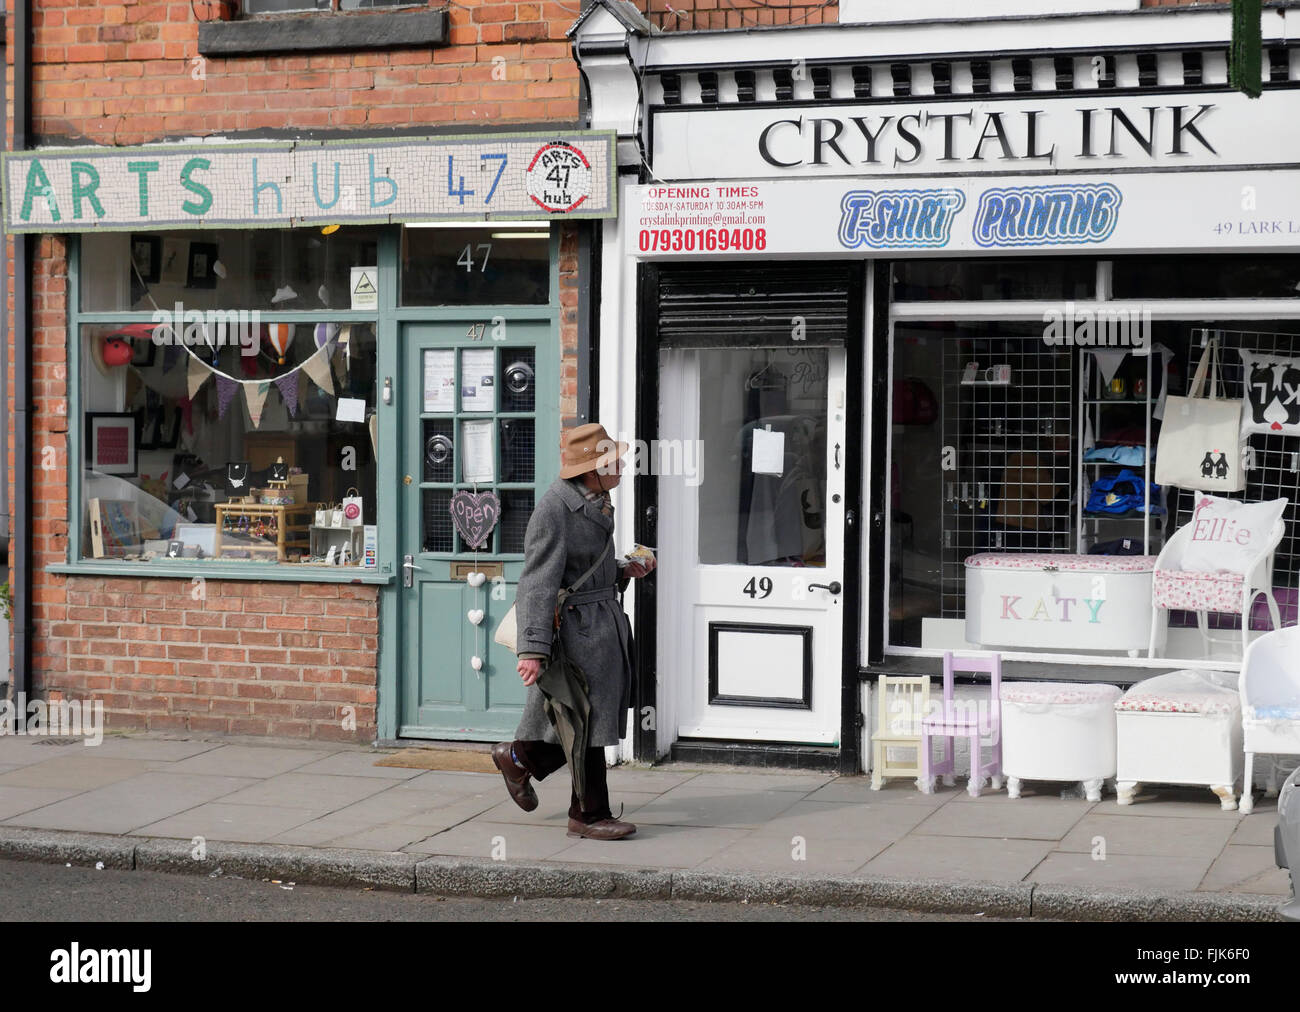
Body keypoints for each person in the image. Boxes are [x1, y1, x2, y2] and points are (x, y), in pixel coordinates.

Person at [491, 424, 656, 840]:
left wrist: (623, 570)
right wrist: (531, 649)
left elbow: (582, 569)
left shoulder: (598, 500)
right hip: (574, 635)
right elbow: (536, 582)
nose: (621, 465)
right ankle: (586, 815)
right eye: (613, 461)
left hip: (600, 627)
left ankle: (518, 758)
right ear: (591, 470)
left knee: (583, 722)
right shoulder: (554, 509)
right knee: (584, 723)